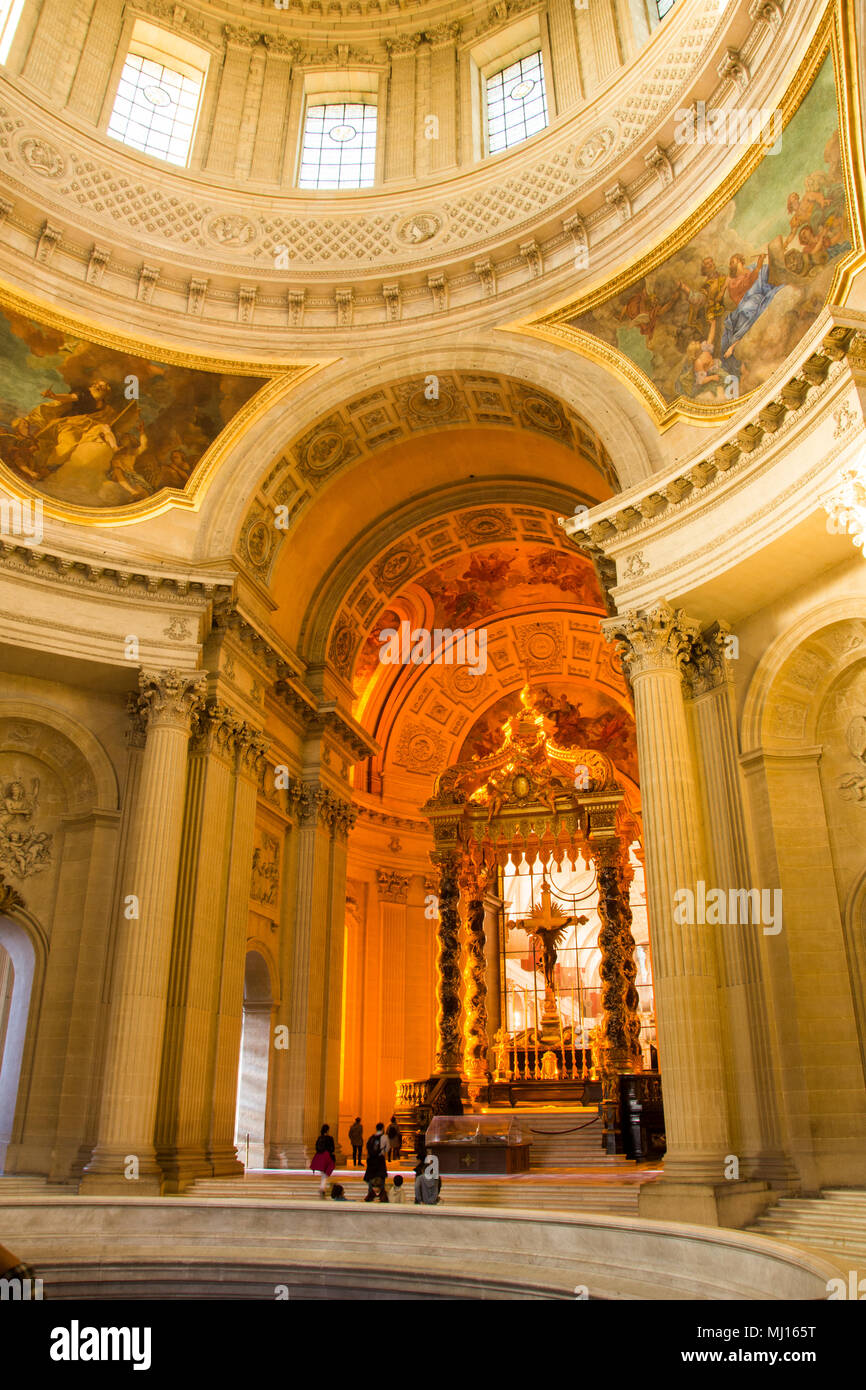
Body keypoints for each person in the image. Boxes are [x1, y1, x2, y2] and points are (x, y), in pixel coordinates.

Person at [310, 1122, 336, 1196]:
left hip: (320, 1156)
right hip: (327, 1156)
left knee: (324, 1173)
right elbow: (332, 1149)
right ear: (327, 1130)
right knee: (325, 1173)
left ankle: (322, 1187)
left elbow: (317, 1147)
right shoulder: (330, 1138)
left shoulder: (320, 1138)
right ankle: (322, 1188)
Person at [363, 1122, 388, 1196]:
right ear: (383, 1128)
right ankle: (381, 1195)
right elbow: (387, 1148)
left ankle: (370, 1194)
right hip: (380, 1160)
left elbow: (367, 1148)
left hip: (371, 1161)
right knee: (381, 1178)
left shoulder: (371, 1138)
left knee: (371, 1178)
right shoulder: (384, 1137)